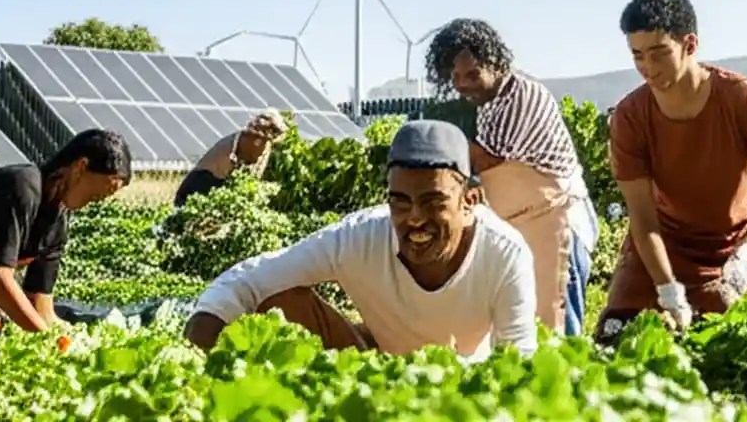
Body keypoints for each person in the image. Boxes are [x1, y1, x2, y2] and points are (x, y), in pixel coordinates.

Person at [183, 119, 538, 361]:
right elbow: (247, 279)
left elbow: (517, 363)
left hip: (459, 400)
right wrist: (200, 345)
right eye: (400, 201)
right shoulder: (361, 236)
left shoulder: (504, 253)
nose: (414, 217)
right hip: (374, 381)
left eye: (433, 202)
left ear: (470, 201)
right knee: (280, 299)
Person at [596, 0, 747, 341]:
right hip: (664, 244)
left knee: (745, 347)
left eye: (659, 53)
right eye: (638, 55)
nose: (648, 68)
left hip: (733, 249)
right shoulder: (629, 116)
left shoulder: (741, 97)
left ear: (690, 45)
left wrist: (746, 253)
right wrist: (667, 289)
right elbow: (643, 221)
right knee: (617, 339)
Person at [424, 18, 600, 336]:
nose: (463, 84)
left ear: (495, 62)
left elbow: (487, 160)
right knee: (533, 328)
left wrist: (440, 143)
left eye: (472, 73)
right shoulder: (490, 103)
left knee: (559, 329)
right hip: (527, 225)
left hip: (557, 222)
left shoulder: (522, 97)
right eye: (456, 76)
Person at [0, 129, 132, 342]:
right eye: (107, 185)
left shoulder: (56, 223)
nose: (105, 197)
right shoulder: (23, 185)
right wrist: (44, 337)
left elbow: (41, 303)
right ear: (81, 167)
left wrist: (70, 339)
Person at [174, 109, 287, 207]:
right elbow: (225, 186)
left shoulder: (265, 147)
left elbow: (254, 176)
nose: (258, 142)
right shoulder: (227, 149)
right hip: (202, 184)